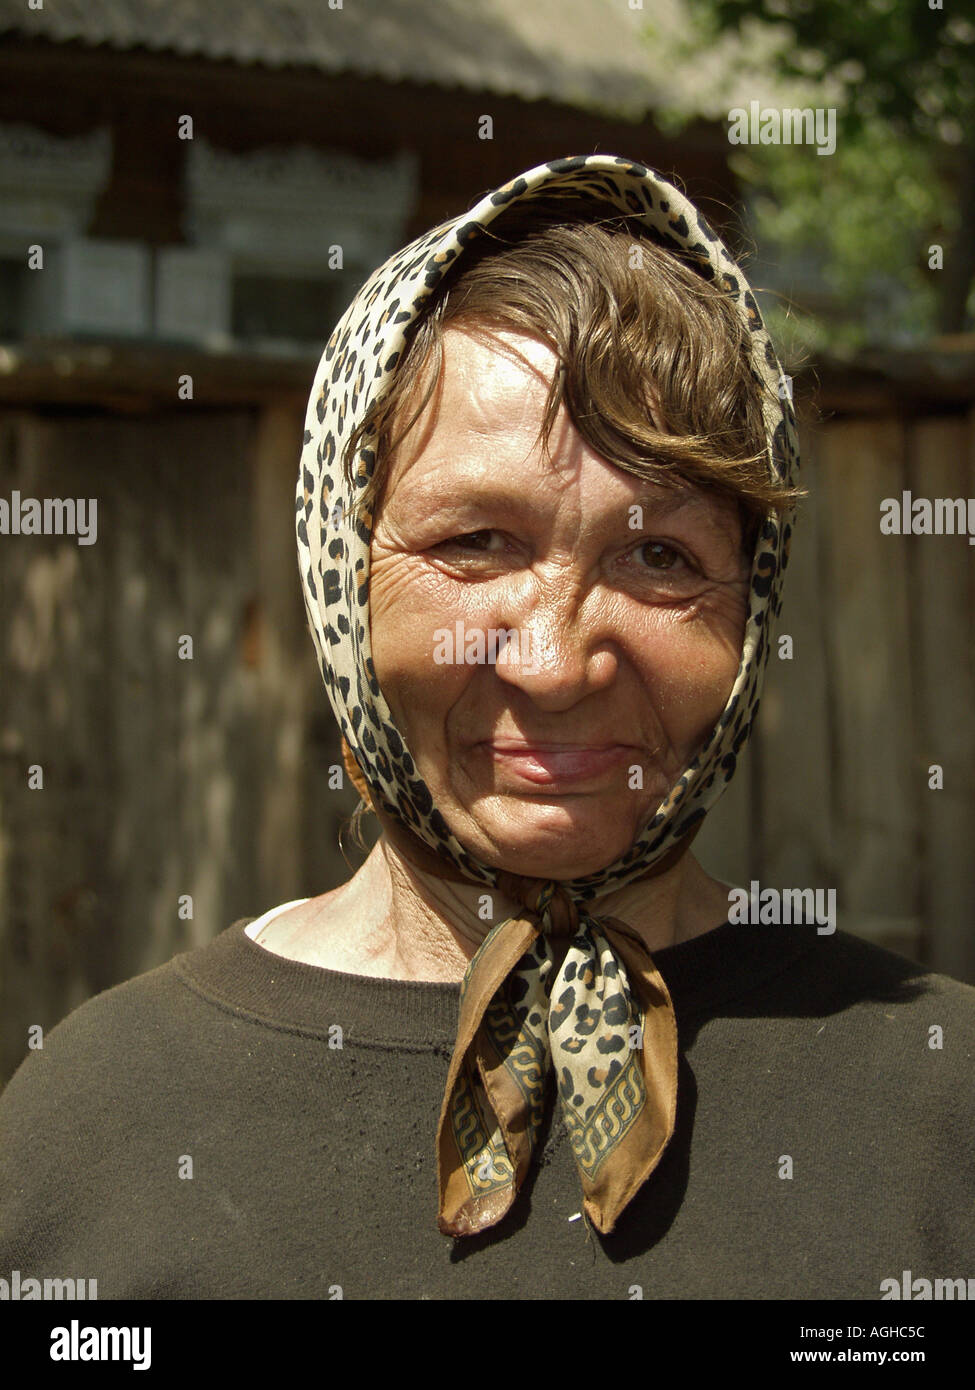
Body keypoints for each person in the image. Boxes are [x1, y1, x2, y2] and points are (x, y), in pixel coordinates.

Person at [1, 155, 972, 1299]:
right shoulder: (92, 1123)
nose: (558, 664)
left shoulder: (937, 1117)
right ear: (340, 574)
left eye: (661, 556)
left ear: (751, 617)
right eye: (473, 543)